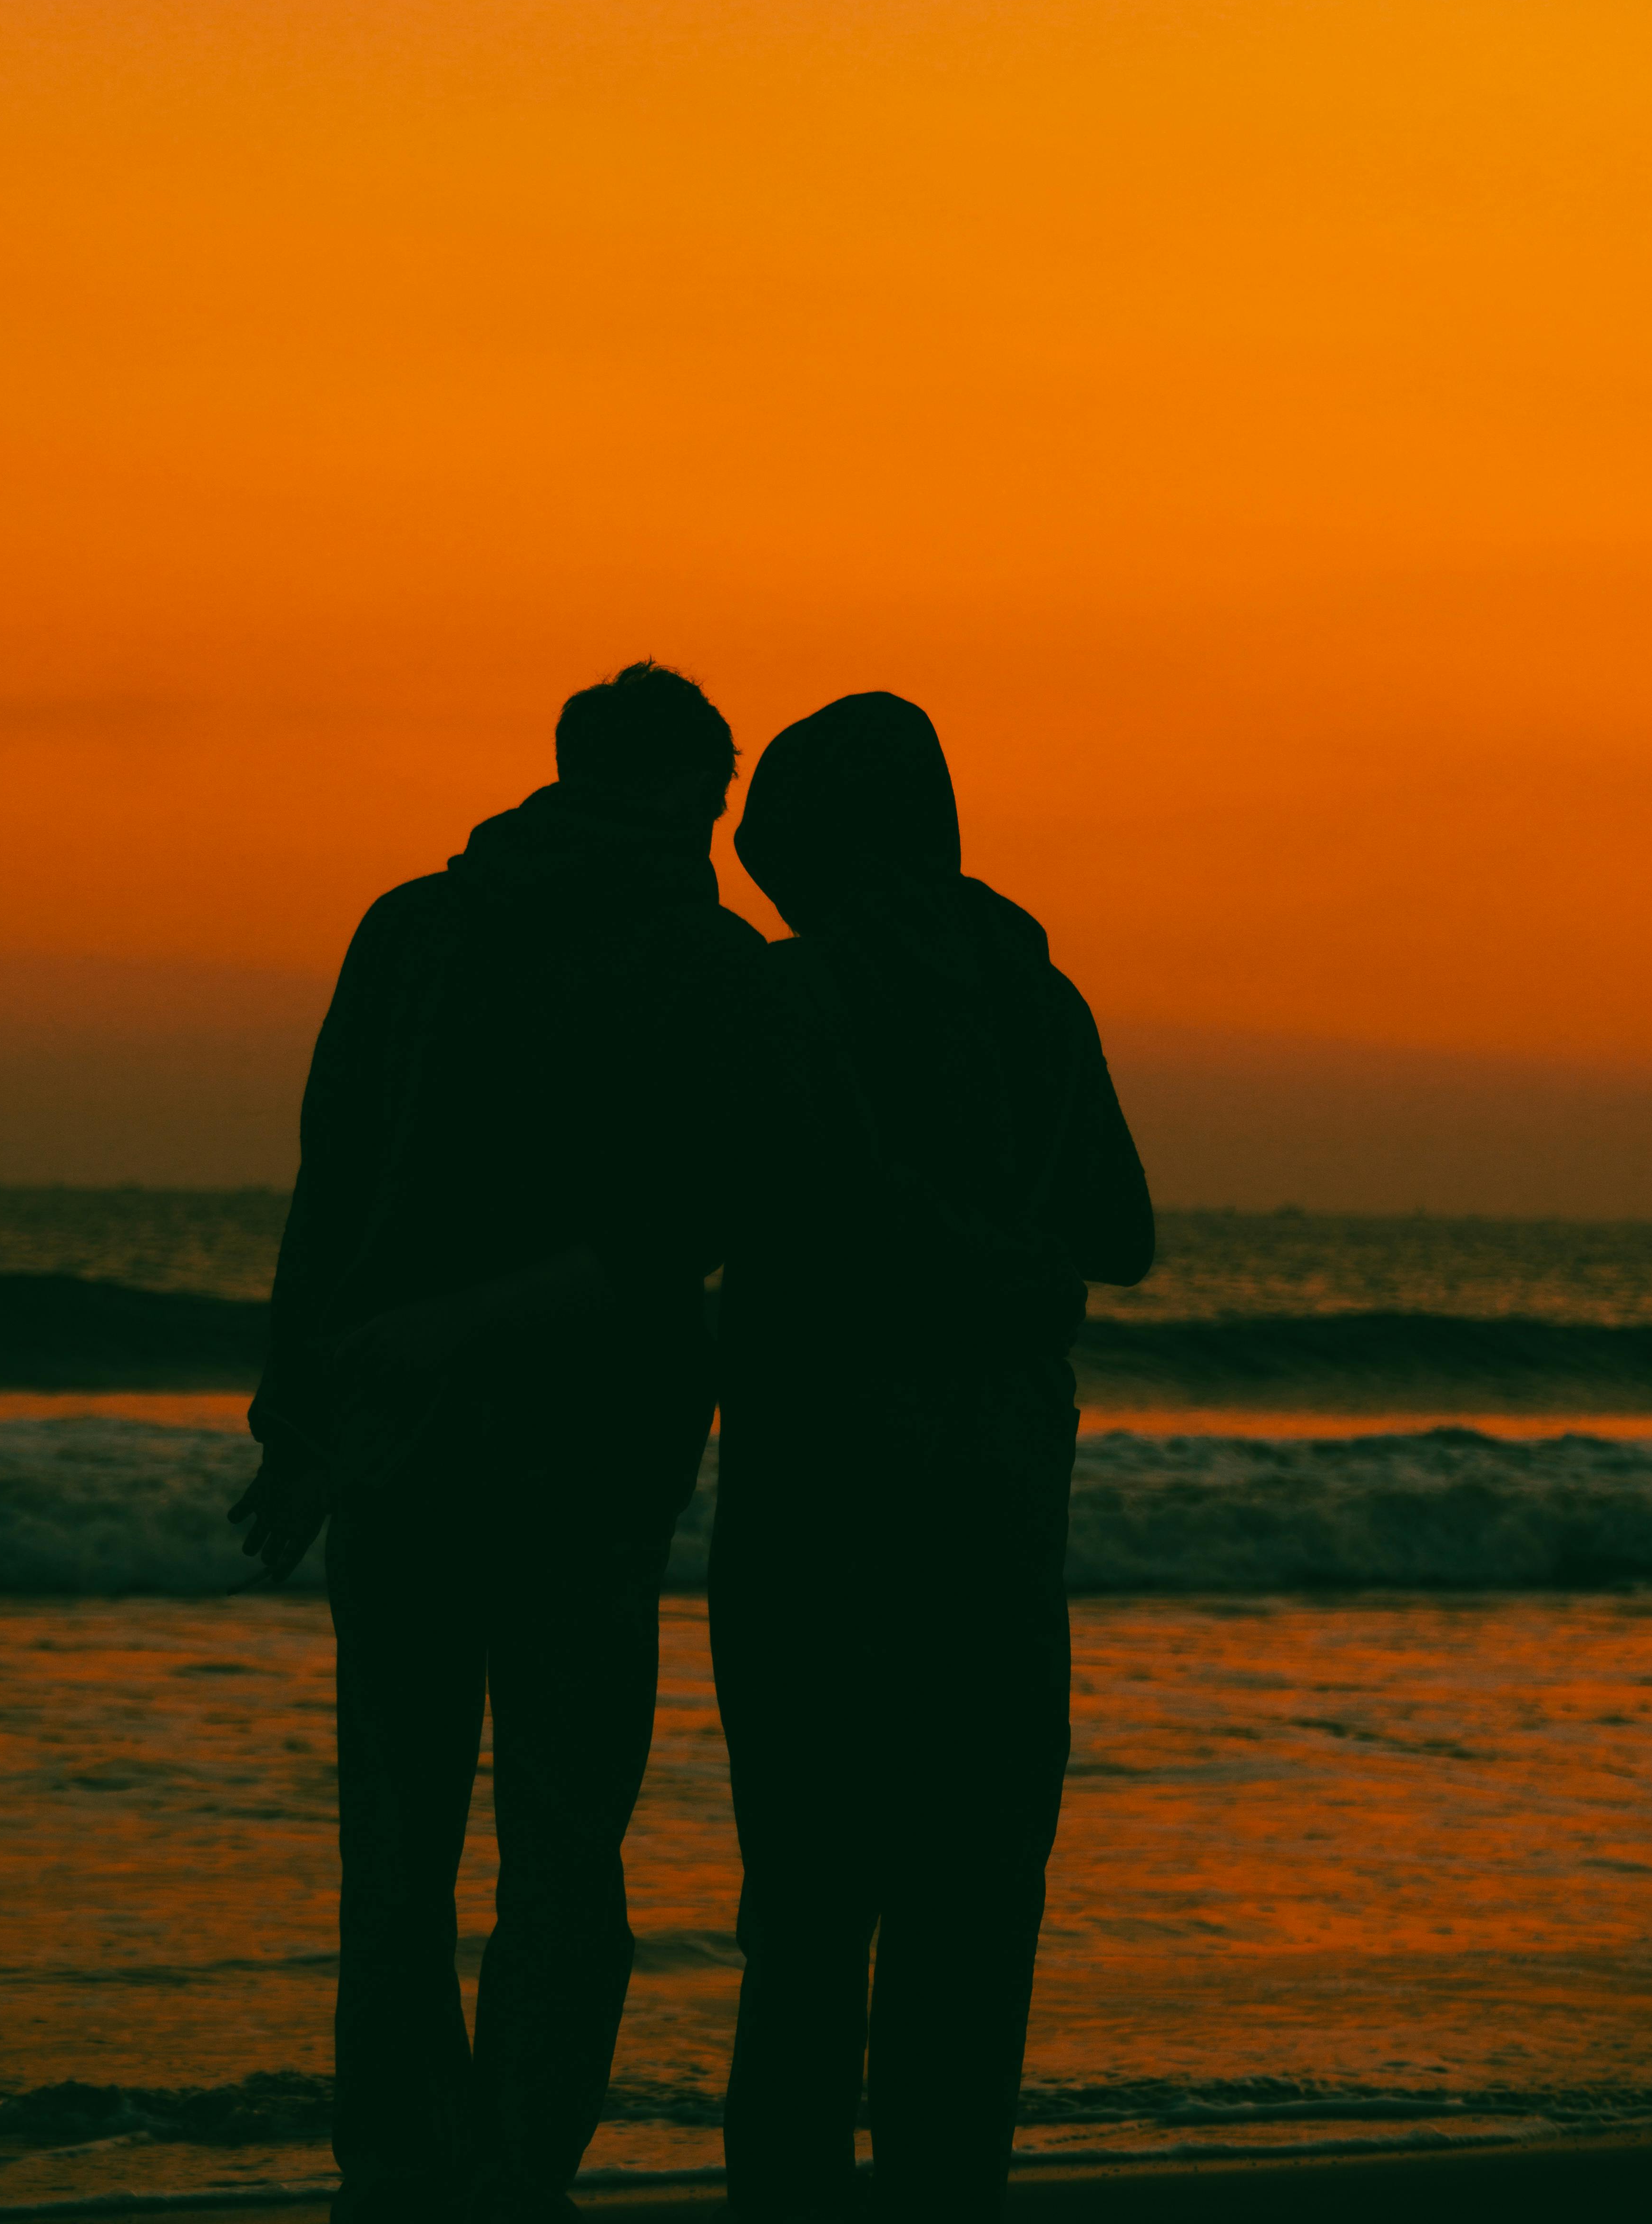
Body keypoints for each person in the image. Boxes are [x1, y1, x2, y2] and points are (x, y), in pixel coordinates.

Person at [229, 661, 763, 2224]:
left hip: (396, 1445)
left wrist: (297, 1425)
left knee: (396, 1838)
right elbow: (684, 1226)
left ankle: (396, 2162)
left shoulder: (412, 927)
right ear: (684, 791)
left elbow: (332, 1191)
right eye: (710, 798)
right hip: (592, 1464)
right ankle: (521, 2166)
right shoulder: (702, 957)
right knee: (564, 1841)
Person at [709, 692, 1152, 2224]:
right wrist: (1013, 1258)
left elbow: (759, 1207)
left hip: (816, 1508)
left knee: (810, 1911)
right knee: (976, 1911)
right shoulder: (1045, 999)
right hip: (1007, 1511)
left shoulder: (790, 993)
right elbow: (1123, 1233)